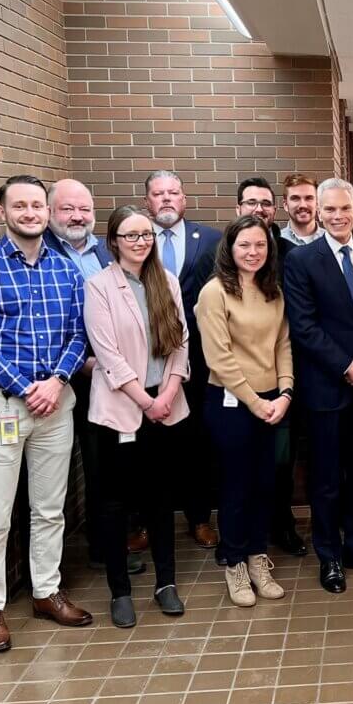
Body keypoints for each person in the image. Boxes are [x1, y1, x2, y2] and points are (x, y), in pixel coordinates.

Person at [0, 174, 92, 652]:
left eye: (37, 205)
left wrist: (56, 381)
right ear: (3, 212)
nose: (30, 213)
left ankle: (45, 592)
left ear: (48, 211)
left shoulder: (65, 269)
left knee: (49, 508)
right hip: (1, 406)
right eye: (20, 206)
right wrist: (26, 388)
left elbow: (80, 333)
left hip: (55, 405)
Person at [284, 178, 353, 593]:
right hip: (326, 388)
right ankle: (329, 555)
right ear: (319, 212)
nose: (338, 216)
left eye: (344, 208)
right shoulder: (301, 260)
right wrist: (348, 366)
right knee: (327, 477)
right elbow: (304, 326)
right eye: (329, 209)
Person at [84, 205, 189, 627]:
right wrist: (146, 402)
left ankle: (166, 583)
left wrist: (168, 393)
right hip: (121, 410)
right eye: (131, 235)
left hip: (166, 405)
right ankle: (120, 591)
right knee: (114, 503)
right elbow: (107, 354)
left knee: (161, 499)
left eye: (146, 234)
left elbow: (181, 343)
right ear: (113, 241)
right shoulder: (99, 286)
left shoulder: (167, 281)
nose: (141, 241)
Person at [196, 215, 292, 607]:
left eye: (260, 245)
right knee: (236, 488)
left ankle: (257, 558)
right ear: (230, 249)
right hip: (231, 403)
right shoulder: (214, 293)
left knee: (264, 485)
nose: (253, 252)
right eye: (245, 245)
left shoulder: (273, 290)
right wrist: (257, 402)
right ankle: (234, 563)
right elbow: (219, 358)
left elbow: (283, 344)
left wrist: (285, 393)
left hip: (272, 402)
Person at [144, 170, 222, 551]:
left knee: (196, 442)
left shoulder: (210, 239)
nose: (166, 199)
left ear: (184, 199)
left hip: (200, 359)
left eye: (173, 192)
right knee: (147, 447)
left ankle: (199, 518)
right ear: (147, 201)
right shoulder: (135, 239)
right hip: (146, 361)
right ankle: (146, 523)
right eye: (158, 193)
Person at [231, 177, 308, 558]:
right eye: (251, 203)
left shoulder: (293, 255)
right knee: (242, 462)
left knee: (281, 459)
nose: (258, 209)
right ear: (238, 209)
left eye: (265, 203)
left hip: (285, 372)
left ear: (275, 210)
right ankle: (241, 535)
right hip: (237, 381)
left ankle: (282, 524)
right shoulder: (224, 255)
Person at [43, 179, 115, 571]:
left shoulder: (105, 251)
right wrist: (79, 361)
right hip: (58, 378)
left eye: (84, 209)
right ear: (50, 212)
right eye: (67, 209)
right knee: (50, 476)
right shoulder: (42, 252)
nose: (77, 216)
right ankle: (48, 571)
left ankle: (105, 547)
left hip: (105, 375)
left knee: (101, 464)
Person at [279, 173, 322, 247]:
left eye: (309, 198)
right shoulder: (274, 243)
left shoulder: (331, 240)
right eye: (295, 198)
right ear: (285, 205)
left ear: (317, 204)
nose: (303, 205)